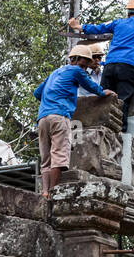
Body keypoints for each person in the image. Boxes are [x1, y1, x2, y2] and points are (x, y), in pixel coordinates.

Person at [69, 0, 134, 130]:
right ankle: (120, 135)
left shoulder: (118, 23)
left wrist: (78, 26)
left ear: (128, 12)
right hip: (127, 68)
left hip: (109, 67)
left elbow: (99, 28)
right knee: (122, 102)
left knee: (103, 97)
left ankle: (98, 128)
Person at [33, 45, 112, 196]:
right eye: (82, 65)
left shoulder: (55, 72)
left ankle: (44, 192)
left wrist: (49, 100)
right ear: (73, 60)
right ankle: (52, 191)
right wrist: (103, 92)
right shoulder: (76, 70)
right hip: (60, 115)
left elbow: (37, 93)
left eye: (85, 66)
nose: (83, 69)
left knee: (46, 159)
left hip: (42, 118)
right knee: (59, 155)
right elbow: (90, 85)